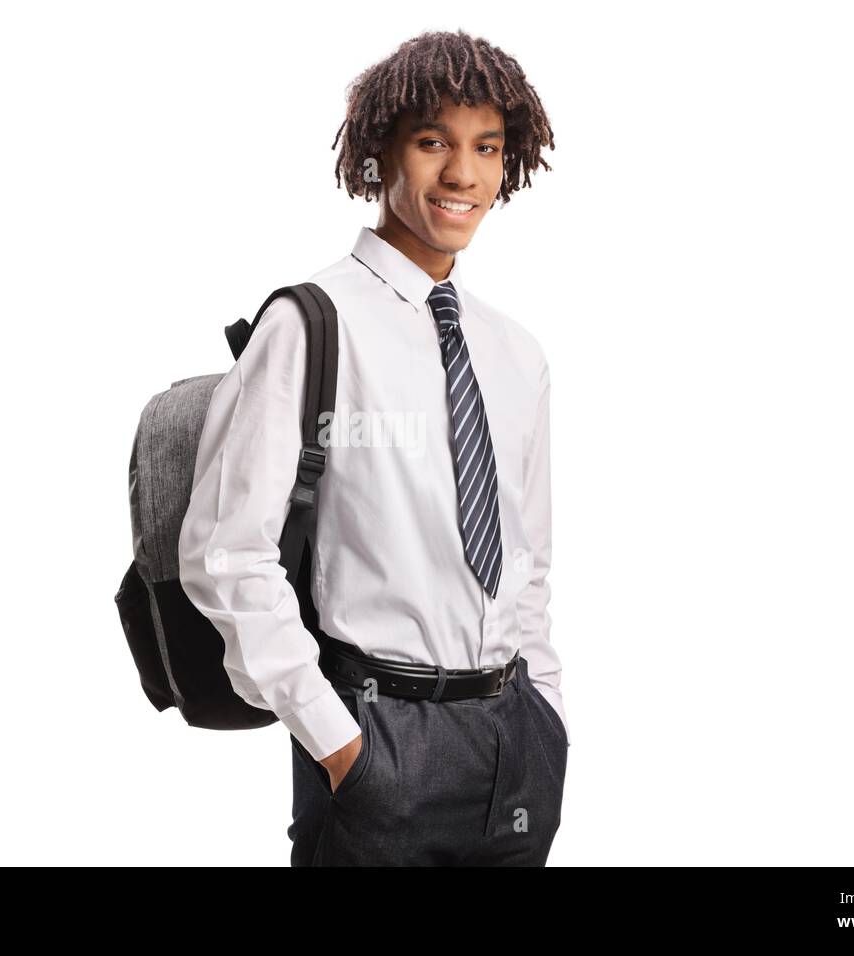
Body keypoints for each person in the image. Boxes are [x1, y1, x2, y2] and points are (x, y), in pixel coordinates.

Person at [177, 28, 568, 866]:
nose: (462, 174)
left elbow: (527, 559)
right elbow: (226, 552)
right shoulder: (310, 325)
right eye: (433, 143)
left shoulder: (515, 354)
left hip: (514, 746)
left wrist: (547, 717)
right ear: (377, 152)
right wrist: (340, 746)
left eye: (486, 148)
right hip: (376, 740)